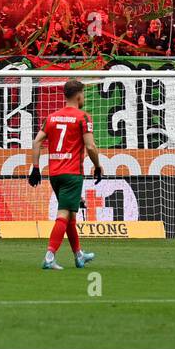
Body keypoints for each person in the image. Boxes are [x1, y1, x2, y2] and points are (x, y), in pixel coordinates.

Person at [28, 79, 101, 271]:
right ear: (78, 96)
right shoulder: (83, 117)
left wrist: (35, 168)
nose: (83, 98)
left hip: (55, 174)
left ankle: (79, 256)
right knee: (64, 214)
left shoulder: (51, 117)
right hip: (72, 173)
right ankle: (49, 256)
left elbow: (36, 142)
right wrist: (98, 166)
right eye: (83, 95)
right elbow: (91, 146)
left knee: (70, 215)